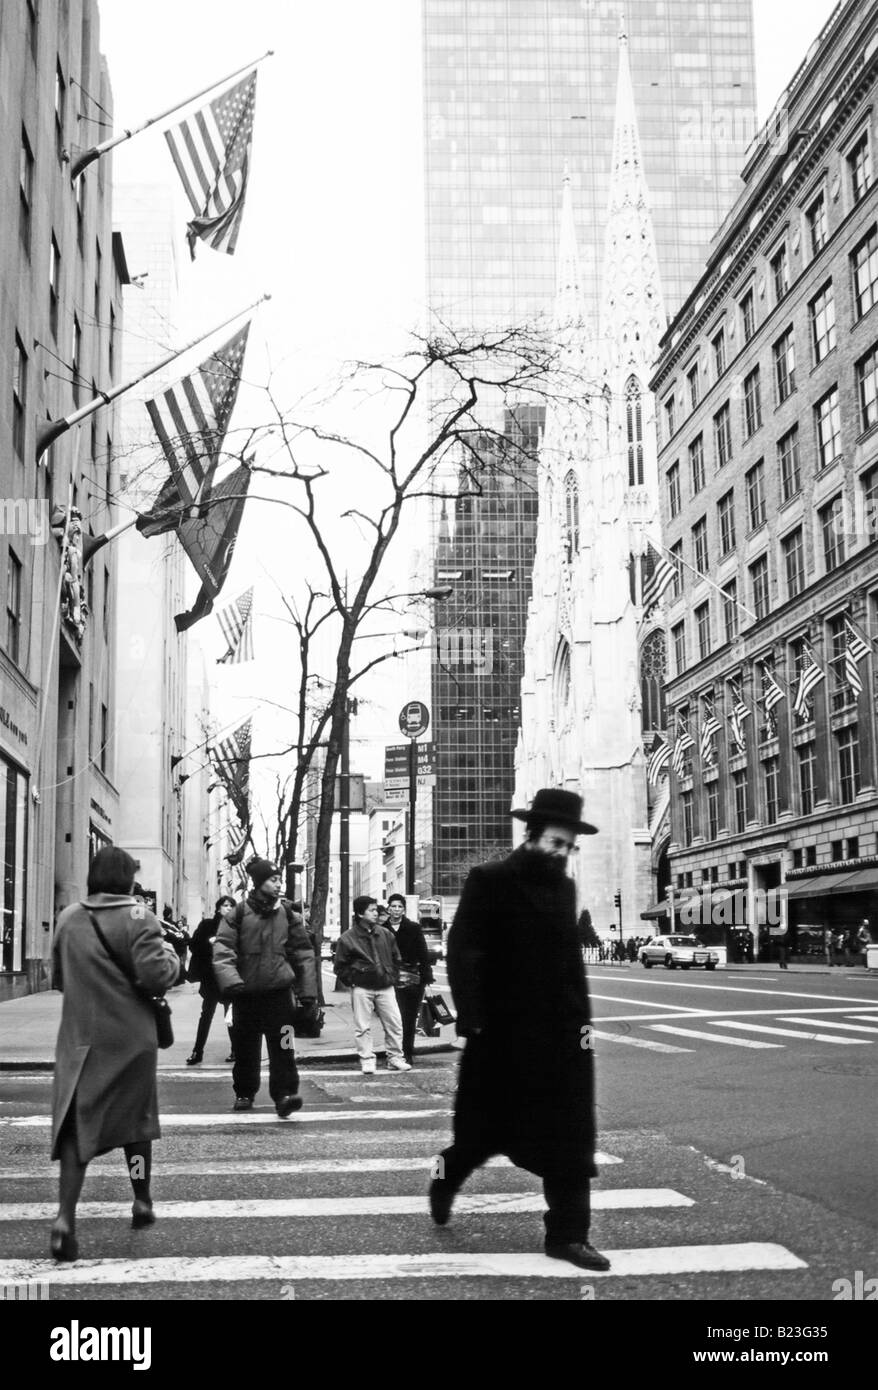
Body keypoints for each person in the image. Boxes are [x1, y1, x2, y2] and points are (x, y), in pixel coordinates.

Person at [430, 787, 610, 1272]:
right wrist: (474, 1021)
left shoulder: (564, 887)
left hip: (559, 1037)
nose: (562, 853)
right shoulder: (490, 879)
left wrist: (581, 1028)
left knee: (570, 1140)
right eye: (556, 843)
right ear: (532, 836)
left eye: (569, 846)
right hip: (501, 1036)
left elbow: (571, 964)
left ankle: (569, 1236)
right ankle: (443, 1179)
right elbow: (462, 950)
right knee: (476, 1138)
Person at [49, 846, 180, 1262]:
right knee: (136, 1125)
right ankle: (141, 1200)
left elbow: (59, 979)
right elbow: (157, 975)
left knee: (75, 1129)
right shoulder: (140, 916)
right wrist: (174, 958)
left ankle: (65, 1218)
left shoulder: (69, 917)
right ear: (127, 879)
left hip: (80, 1039)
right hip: (130, 1041)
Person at [212, 858, 318, 1116]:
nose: (279, 884)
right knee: (246, 1047)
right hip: (244, 994)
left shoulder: (289, 915)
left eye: (280, 879)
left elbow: (303, 953)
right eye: (273, 879)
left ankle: (284, 1095)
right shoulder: (237, 913)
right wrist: (233, 982)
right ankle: (244, 1093)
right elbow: (223, 950)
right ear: (259, 883)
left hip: (279, 994)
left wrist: (307, 995)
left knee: (283, 1047)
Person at [334, 895, 410, 1075]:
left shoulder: (385, 934)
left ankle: (395, 1058)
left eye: (376, 909)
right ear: (360, 913)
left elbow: (396, 958)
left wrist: (392, 975)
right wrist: (354, 980)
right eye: (372, 910)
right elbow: (340, 966)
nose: (376, 913)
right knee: (362, 1026)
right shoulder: (347, 938)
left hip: (385, 985)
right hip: (362, 987)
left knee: (394, 1023)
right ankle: (367, 1059)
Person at [186, 897, 237, 1065]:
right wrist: (209, 943)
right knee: (206, 1015)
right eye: (225, 905)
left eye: (231, 906)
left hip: (228, 977)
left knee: (230, 1016)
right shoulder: (207, 925)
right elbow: (193, 945)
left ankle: (235, 1050)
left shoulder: (236, 926)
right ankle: (197, 1051)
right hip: (210, 978)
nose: (228, 908)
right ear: (218, 908)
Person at [386, 892, 434, 1066]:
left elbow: (423, 952)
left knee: (408, 1017)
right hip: (390, 979)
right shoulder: (382, 928)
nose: (396, 910)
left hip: (413, 978)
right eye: (393, 906)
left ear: (404, 910)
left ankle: (407, 1052)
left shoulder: (413, 927)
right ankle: (393, 1052)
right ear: (388, 908)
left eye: (400, 907)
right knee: (392, 1018)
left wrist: (426, 976)